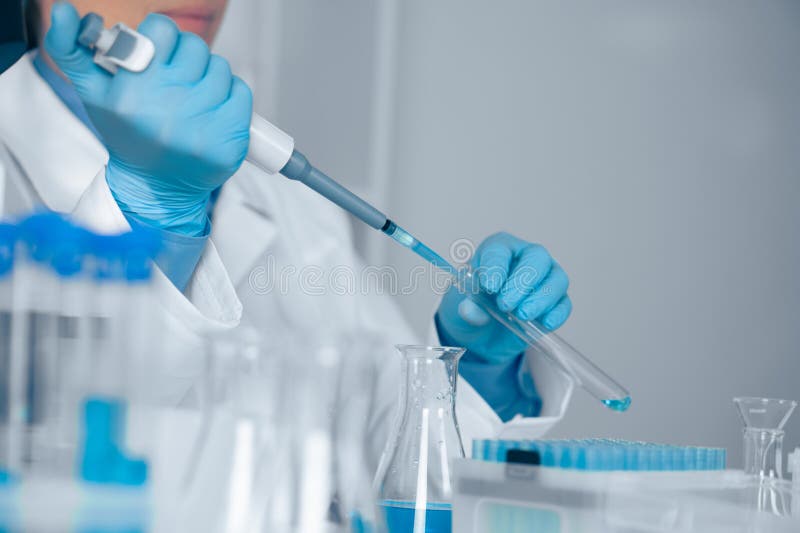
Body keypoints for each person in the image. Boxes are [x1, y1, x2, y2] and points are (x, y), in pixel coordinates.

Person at [0, 0, 574, 477]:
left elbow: (387, 472)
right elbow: (43, 456)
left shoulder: (279, 191)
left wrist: (472, 372)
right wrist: (149, 212)